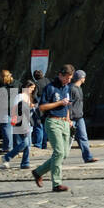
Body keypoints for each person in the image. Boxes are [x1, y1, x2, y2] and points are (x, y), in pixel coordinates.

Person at [31, 64, 75, 193]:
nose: (69, 81)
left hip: (64, 123)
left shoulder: (66, 87)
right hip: (52, 122)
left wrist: (68, 118)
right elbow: (42, 107)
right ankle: (57, 184)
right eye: (67, 78)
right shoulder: (50, 88)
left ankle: (38, 172)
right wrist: (59, 103)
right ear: (60, 75)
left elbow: (67, 105)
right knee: (59, 153)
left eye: (70, 78)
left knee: (64, 154)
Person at [1, 78, 35, 169]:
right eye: (31, 88)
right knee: (25, 143)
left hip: (27, 122)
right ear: (27, 87)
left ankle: (25, 162)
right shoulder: (19, 96)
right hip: (20, 122)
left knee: (27, 144)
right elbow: (14, 109)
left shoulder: (28, 97)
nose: (32, 90)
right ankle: (7, 157)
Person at [68, 70, 97, 164]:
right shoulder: (71, 89)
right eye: (84, 77)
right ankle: (58, 158)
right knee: (67, 140)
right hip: (72, 118)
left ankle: (88, 157)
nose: (85, 79)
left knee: (83, 137)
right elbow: (68, 104)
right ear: (81, 78)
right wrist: (68, 118)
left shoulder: (79, 88)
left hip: (80, 117)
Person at [0, 69, 15, 158]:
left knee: (6, 128)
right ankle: (8, 146)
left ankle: (8, 147)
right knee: (10, 128)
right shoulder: (16, 84)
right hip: (14, 109)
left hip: (4, 109)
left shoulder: (0, 87)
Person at [30, 70, 48, 149]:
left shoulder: (36, 84)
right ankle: (44, 144)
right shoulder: (48, 81)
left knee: (38, 125)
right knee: (45, 126)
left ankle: (38, 144)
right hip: (48, 105)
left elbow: (34, 95)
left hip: (40, 106)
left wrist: (34, 102)